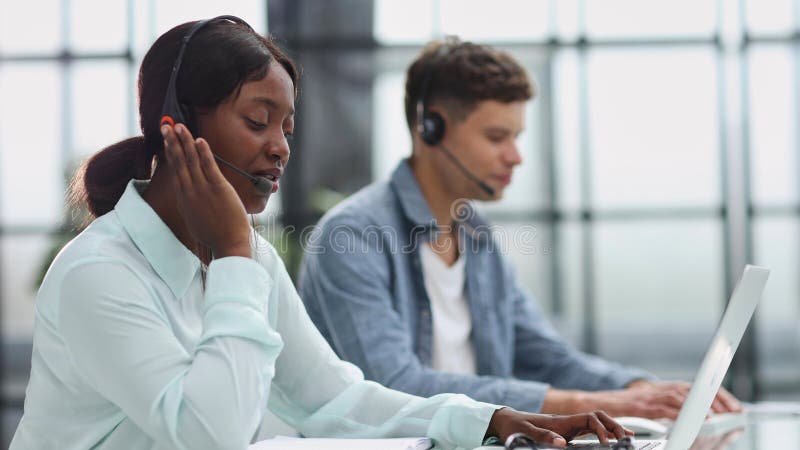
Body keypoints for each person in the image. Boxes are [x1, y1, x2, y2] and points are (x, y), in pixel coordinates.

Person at [10, 17, 630, 450]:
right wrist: (230, 254)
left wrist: (489, 420)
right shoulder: (101, 273)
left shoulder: (245, 254)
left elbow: (331, 395)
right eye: (258, 121)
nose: (280, 148)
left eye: (287, 126)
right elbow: (210, 433)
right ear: (177, 129)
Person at [298, 37, 742, 419]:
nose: (515, 156)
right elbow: (394, 387)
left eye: (517, 137)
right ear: (429, 128)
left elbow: (543, 354)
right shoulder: (352, 236)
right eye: (496, 137)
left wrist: (640, 390)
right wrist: (578, 403)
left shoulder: (475, 234)